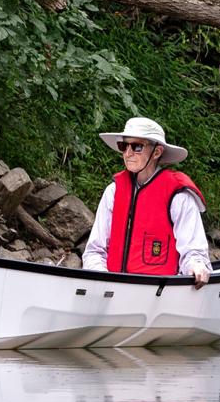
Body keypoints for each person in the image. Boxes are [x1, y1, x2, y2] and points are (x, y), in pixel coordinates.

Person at [82, 117, 211, 289]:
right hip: (112, 288)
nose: (128, 153)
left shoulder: (179, 196)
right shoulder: (113, 192)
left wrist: (197, 266)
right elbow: (95, 251)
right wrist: (103, 280)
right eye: (124, 146)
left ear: (156, 152)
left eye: (137, 147)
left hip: (160, 292)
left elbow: (194, 252)